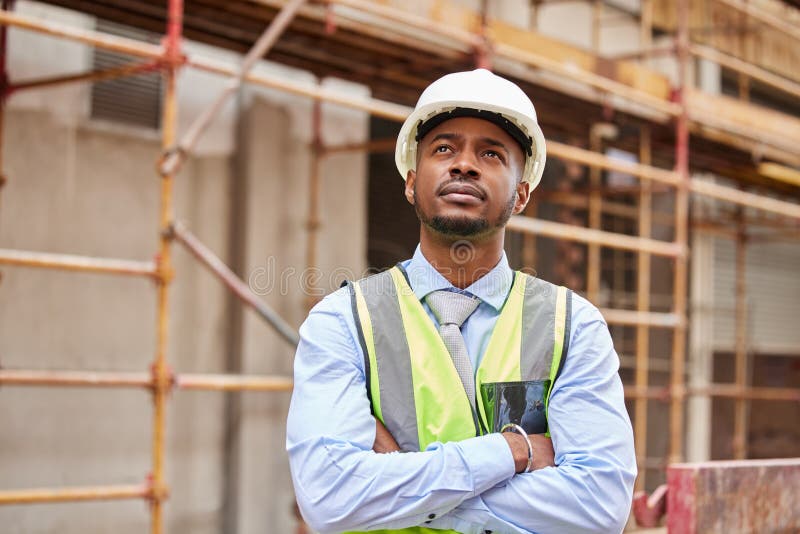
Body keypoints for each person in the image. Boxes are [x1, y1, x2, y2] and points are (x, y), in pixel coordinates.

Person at [286, 69, 636, 534]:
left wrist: (406, 489)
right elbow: (331, 499)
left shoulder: (572, 327)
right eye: (444, 149)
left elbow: (598, 508)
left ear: (523, 194)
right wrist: (515, 452)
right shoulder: (343, 321)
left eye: (491, 153)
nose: (464, 165)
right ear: (411, 182)